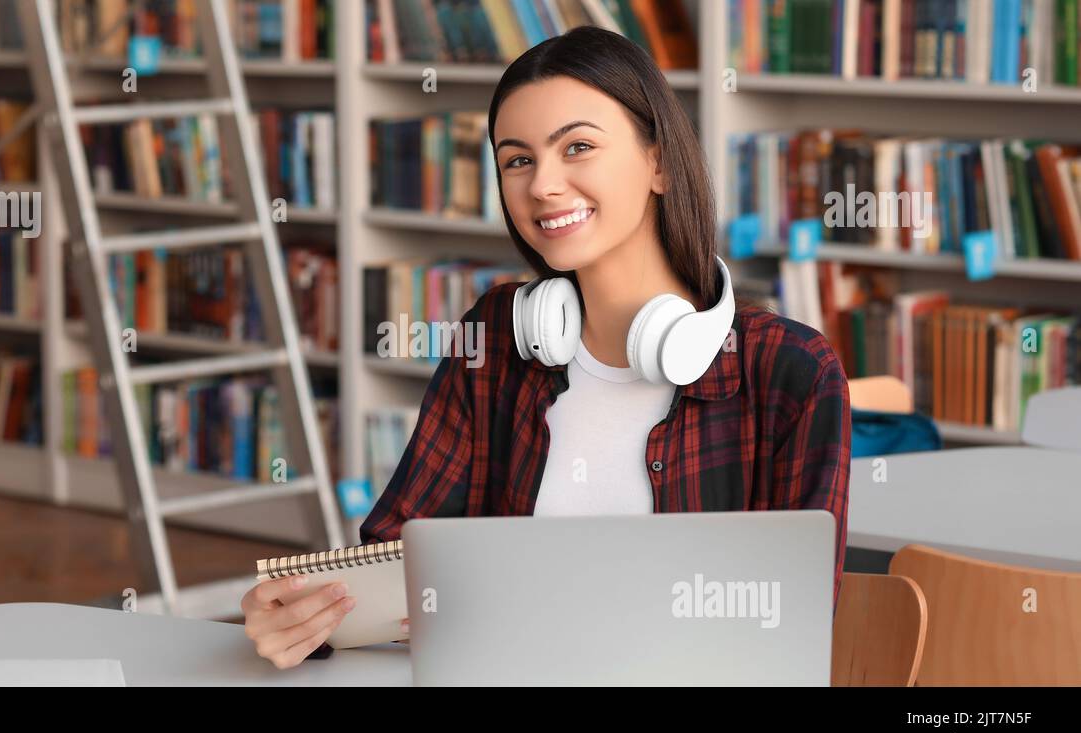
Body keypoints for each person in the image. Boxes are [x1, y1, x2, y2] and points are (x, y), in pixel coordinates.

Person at [242, 26, 850, 669]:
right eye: (518, 159)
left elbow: (787, 629)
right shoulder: (495, 340)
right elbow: (396, 560)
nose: (542, 186)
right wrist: (307, 621)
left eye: (578, 147)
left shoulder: (790, 372)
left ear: (661, 163)